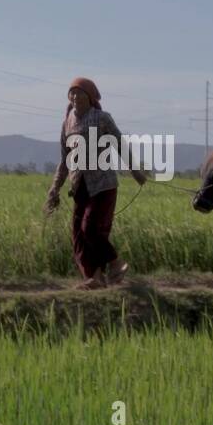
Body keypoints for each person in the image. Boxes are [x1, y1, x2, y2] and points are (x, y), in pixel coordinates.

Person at [44, 77, 146, 289]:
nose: (75, 96)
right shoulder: (67, 123)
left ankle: (115, 263)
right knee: (78, 236)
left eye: (79, 93)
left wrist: (135, 170)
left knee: (90, 228)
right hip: (79, 185)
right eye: (72, 93)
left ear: (90, 97)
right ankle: (95, 278)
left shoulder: (102, 118)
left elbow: (120, 144)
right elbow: (64, 159)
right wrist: (55, 188)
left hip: (102, 184)